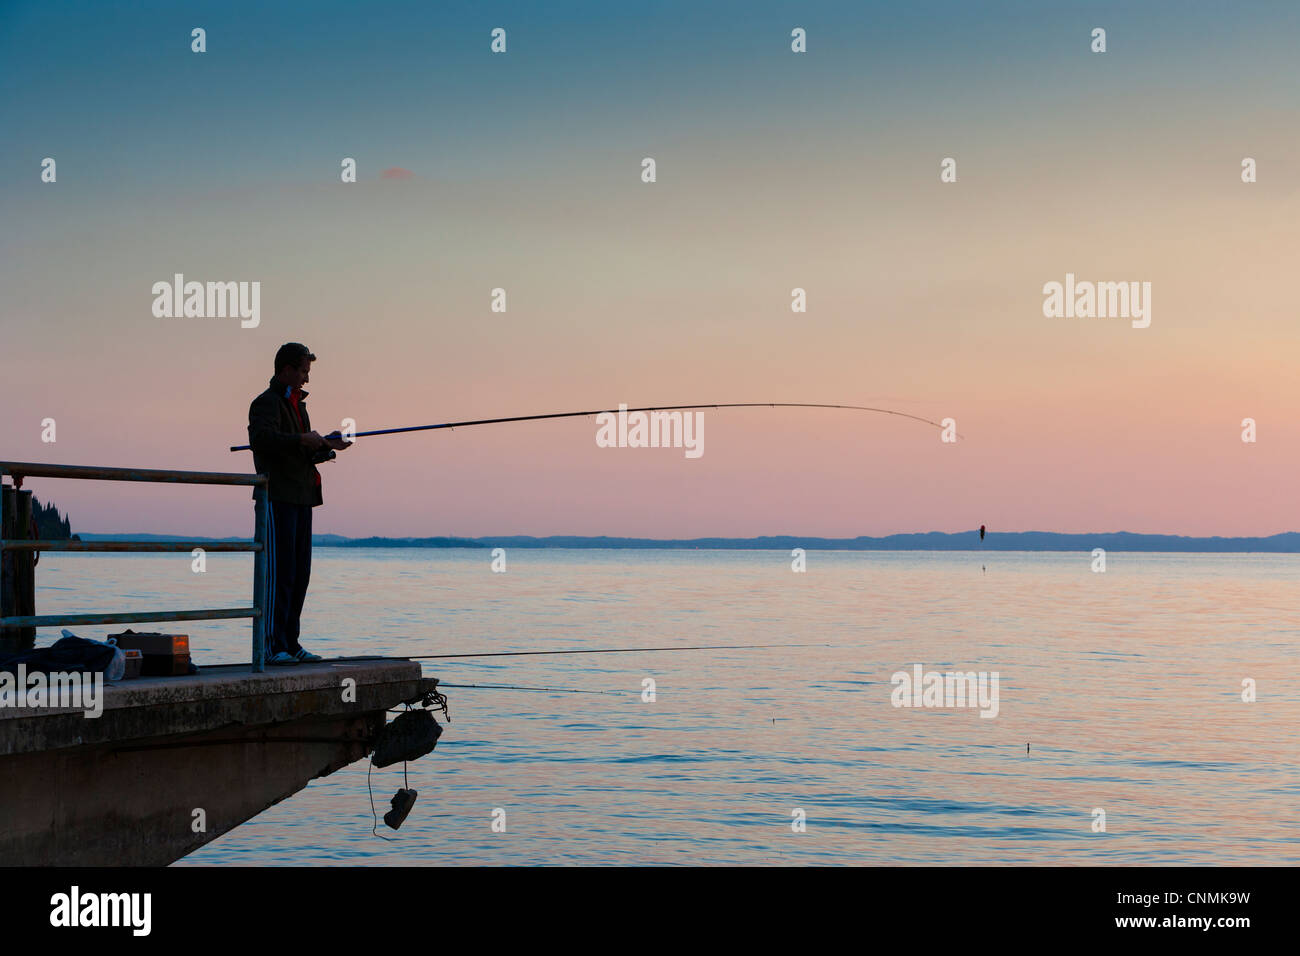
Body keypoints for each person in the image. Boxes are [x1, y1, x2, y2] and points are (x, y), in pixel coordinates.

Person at [247, 343, 351, 665]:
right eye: (303, 371)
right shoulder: (264, 403)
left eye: (307, 372)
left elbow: (301, 451)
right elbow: (262, 441)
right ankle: (272, 647)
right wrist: (301, 440)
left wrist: (327, 446)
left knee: (299, 573)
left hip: (302, 498)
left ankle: (291, 644)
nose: (307, 378)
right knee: (279, 574)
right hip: (277, 498)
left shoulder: (298, 407)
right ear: (287, 369)